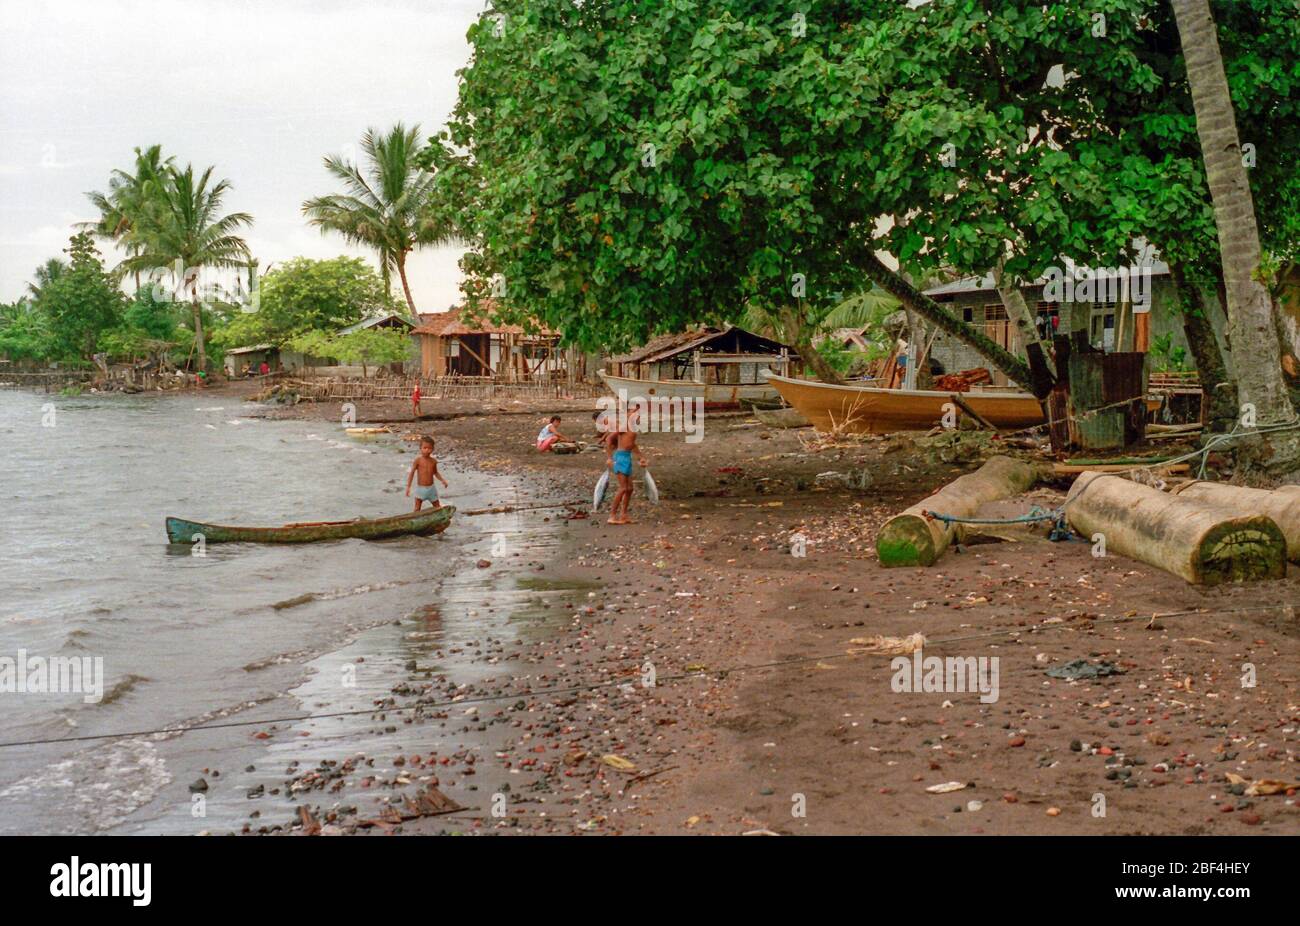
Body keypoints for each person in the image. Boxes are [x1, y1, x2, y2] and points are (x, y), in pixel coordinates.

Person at [606, 406, 646, 525]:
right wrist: (609, 458)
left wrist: (641, 457)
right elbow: (609, 439)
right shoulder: (624, 426)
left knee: (630, 489)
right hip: (620, 457)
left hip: (627, 457)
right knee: (623, 488)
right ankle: (612, 515)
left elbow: (632, 445)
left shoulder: (633, 428)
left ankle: (624, 515)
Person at [406, 435, 448, 510]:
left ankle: (441, 518)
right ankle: (416, 520)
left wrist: (443, 480)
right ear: (420, 448)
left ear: (433, 449)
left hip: (431, 488)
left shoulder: (433, 461)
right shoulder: (418, 460)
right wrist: (408, 487)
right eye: (424, 448)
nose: (427, 450)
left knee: (437, 506)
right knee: (417, 508)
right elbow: (411, 473)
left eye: (429, 448)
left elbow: (435, 473)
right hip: (420, 488)